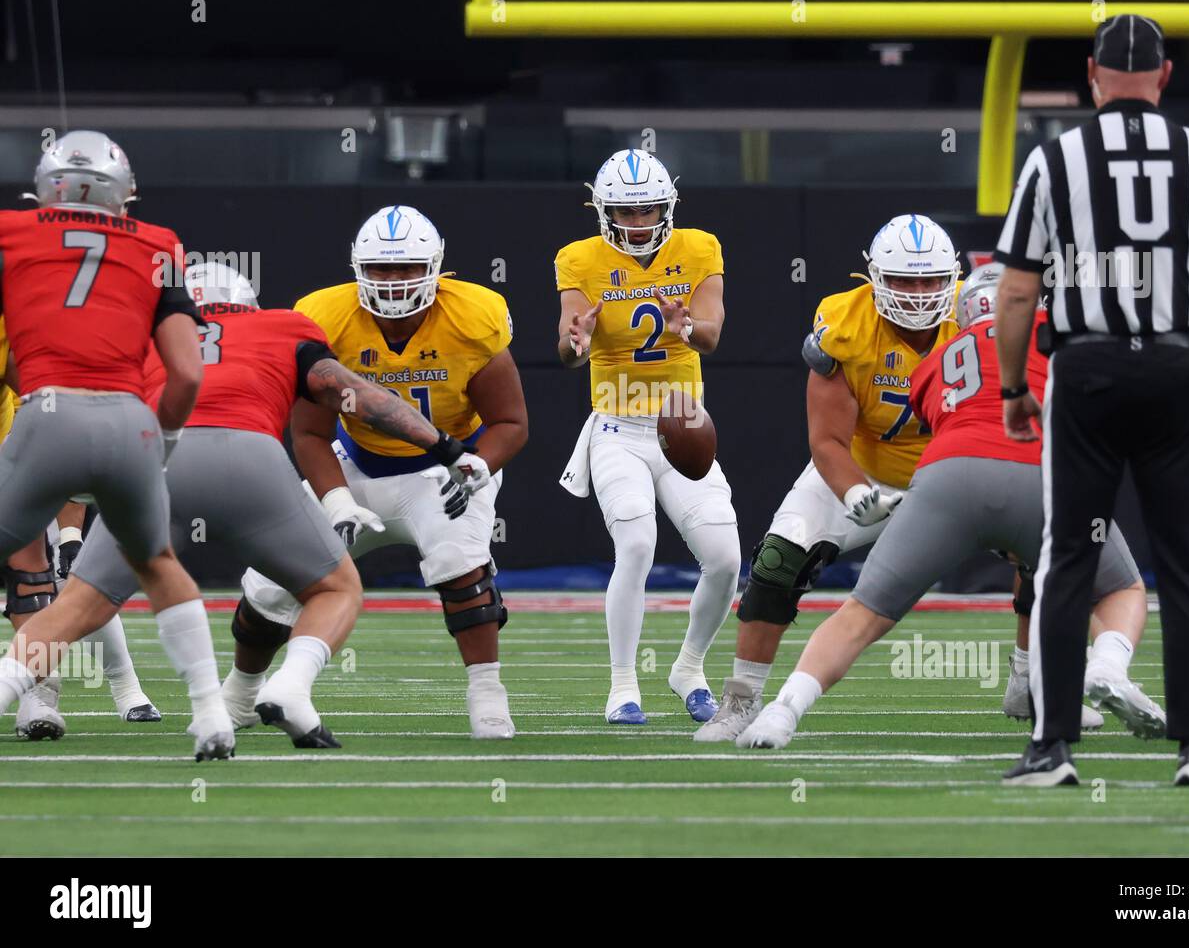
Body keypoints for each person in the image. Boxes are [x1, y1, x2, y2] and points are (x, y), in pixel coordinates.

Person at [994, 15, 1189, 787]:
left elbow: (1017, 290)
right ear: (1165, 76)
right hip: (1180, 368)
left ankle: (1052, 748)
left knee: (1068, 557)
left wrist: (1015, 387)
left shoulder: (1057, 160)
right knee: (1184, 561)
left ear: (1093, 73)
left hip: (1089, 370)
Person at [737, 265, 1165, 750]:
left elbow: (948, 417)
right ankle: (1105, 666)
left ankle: (782, 711)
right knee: (1117, 587)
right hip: (1040, 470)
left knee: (861, 614)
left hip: (945, 478)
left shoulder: (934, 362)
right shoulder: (1055, 332)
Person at [235, 206, 524, 739]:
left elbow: (510, 421)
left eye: (408, 267)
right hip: (356, 463)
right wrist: (338, 500)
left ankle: (487, 692)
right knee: (271, 583)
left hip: (443, 470)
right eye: (381, 269)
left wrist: (479, 466)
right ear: (357, 267)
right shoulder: (325, 315)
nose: (394, 282)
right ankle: (241, 693)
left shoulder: (473, 315)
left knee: (461, 561)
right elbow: (309, 434)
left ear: (435, 265)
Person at [0, 130, 233, 760]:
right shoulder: (159, 244)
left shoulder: (11, 231)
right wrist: (164, 440)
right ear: (121, 193)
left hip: (45, 412)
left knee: (19, 565)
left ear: (46, 186)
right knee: (157, 562)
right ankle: (211, 713)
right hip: (130, 420)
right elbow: (186, 372)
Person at [698, 212, 962, 742]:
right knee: (775, 564)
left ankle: (1032, 677)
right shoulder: (846, 324)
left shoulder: (975, 322)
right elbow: (827, 441)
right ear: (874, 278)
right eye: (905, 280)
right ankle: (741, 701)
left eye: (930, 279)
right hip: (861, 468)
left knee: (1040, 546)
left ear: (952, 277)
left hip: (951, 474)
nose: (918, 294)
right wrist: (856, 492)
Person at [556, 148, 740, 725]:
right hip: (616, 424)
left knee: (726, 559)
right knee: (635, 546)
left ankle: (688, 668)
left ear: (668, 207)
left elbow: (711, 335)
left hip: (683, 421)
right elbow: (565, 349)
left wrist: (688, 325)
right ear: (603, 211)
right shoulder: (578, 259)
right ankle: (622, 685)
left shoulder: (699, 247)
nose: (637, 222)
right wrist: (576, 343)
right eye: (626, 212)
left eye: (648, 211)